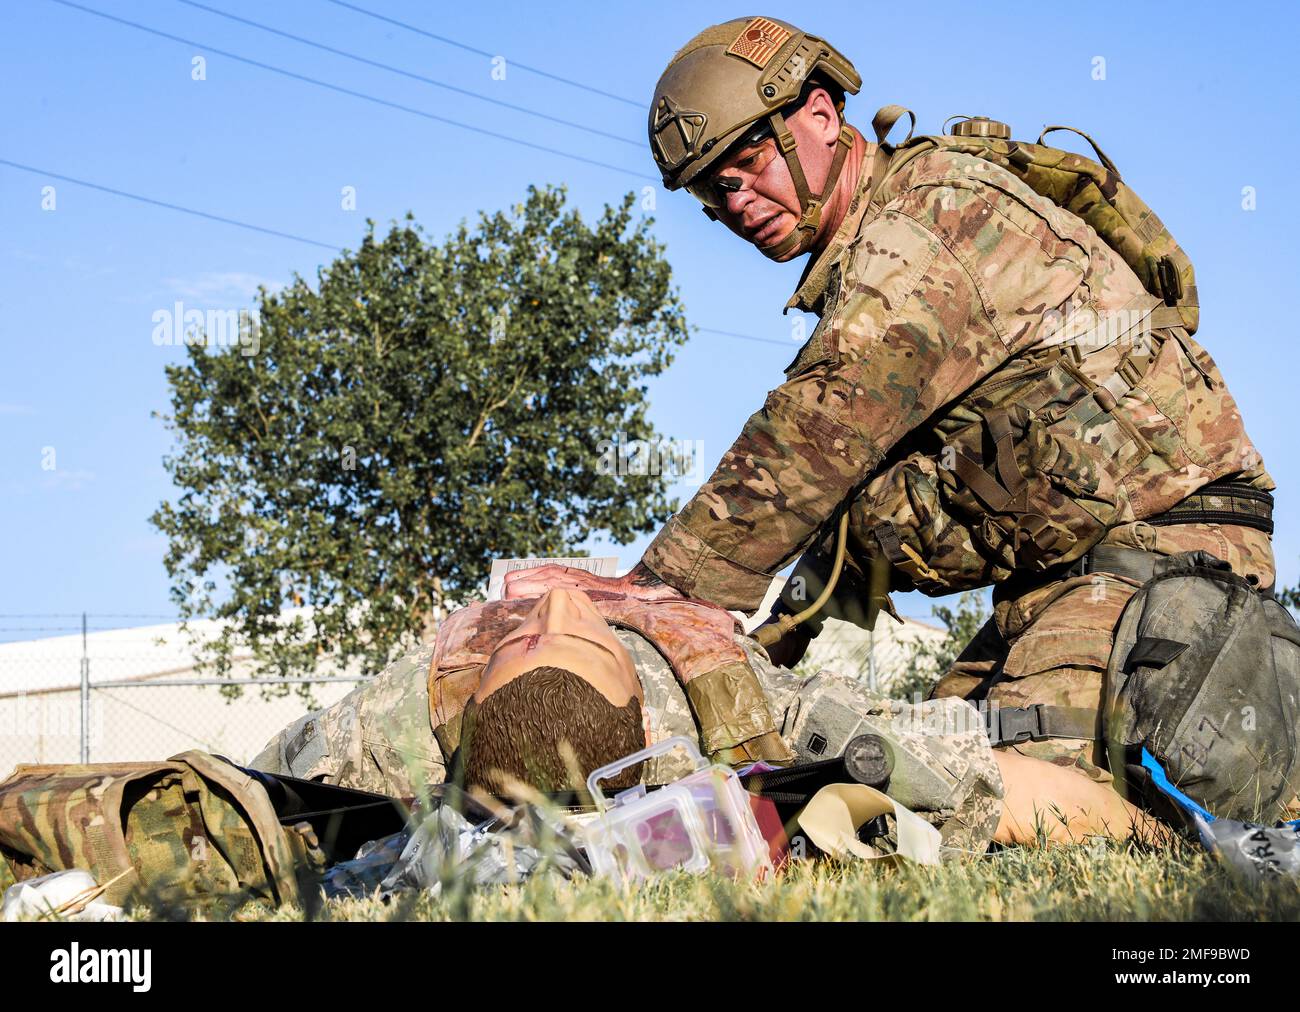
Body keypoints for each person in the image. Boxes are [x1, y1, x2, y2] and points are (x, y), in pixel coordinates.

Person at [503, 17, 1288, 820]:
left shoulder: (926, 221)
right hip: (1063, 579)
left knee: (1007, 805)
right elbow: (849, 524)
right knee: (898, 778)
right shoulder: (880, 248)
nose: (737, 201)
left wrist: (658, 593)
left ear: (818, 115)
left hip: (1168, 560)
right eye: (713, 189)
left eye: (747, 161)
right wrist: (759, 647)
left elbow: (813, 435)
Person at [252, 588, 1164, 855]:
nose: (561, 600)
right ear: (638, 706)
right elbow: (993, 791)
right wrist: (1168, 841)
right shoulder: (736, 714)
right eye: (581, 637)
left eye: (528, 636)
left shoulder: (380, 727)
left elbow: (243, 798)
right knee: (957, 737)